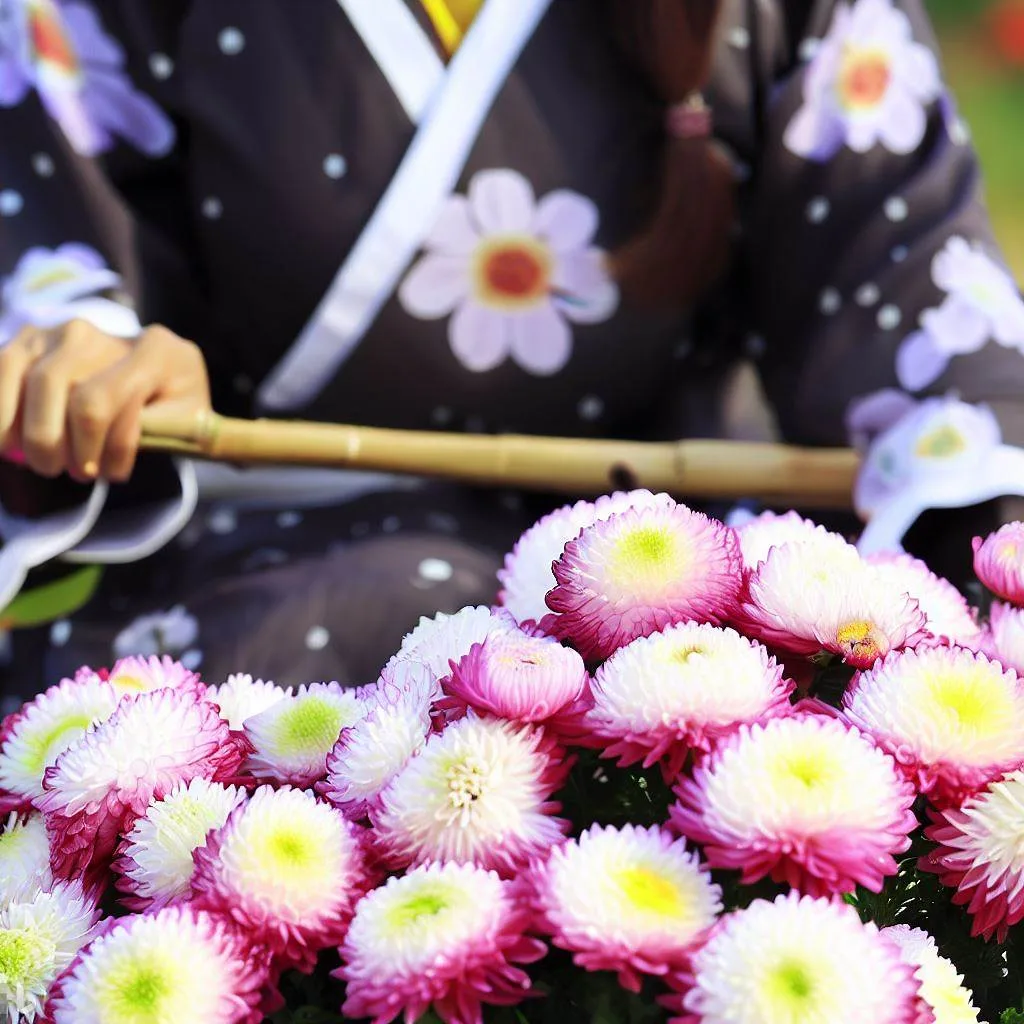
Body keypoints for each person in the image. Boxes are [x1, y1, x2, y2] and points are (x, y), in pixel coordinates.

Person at [0, 0, 1022, 696]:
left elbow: (921, 298)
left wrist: (989, 528)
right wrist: (88, 367)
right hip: (258, 593)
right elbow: (47, 250)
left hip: (680, 587)